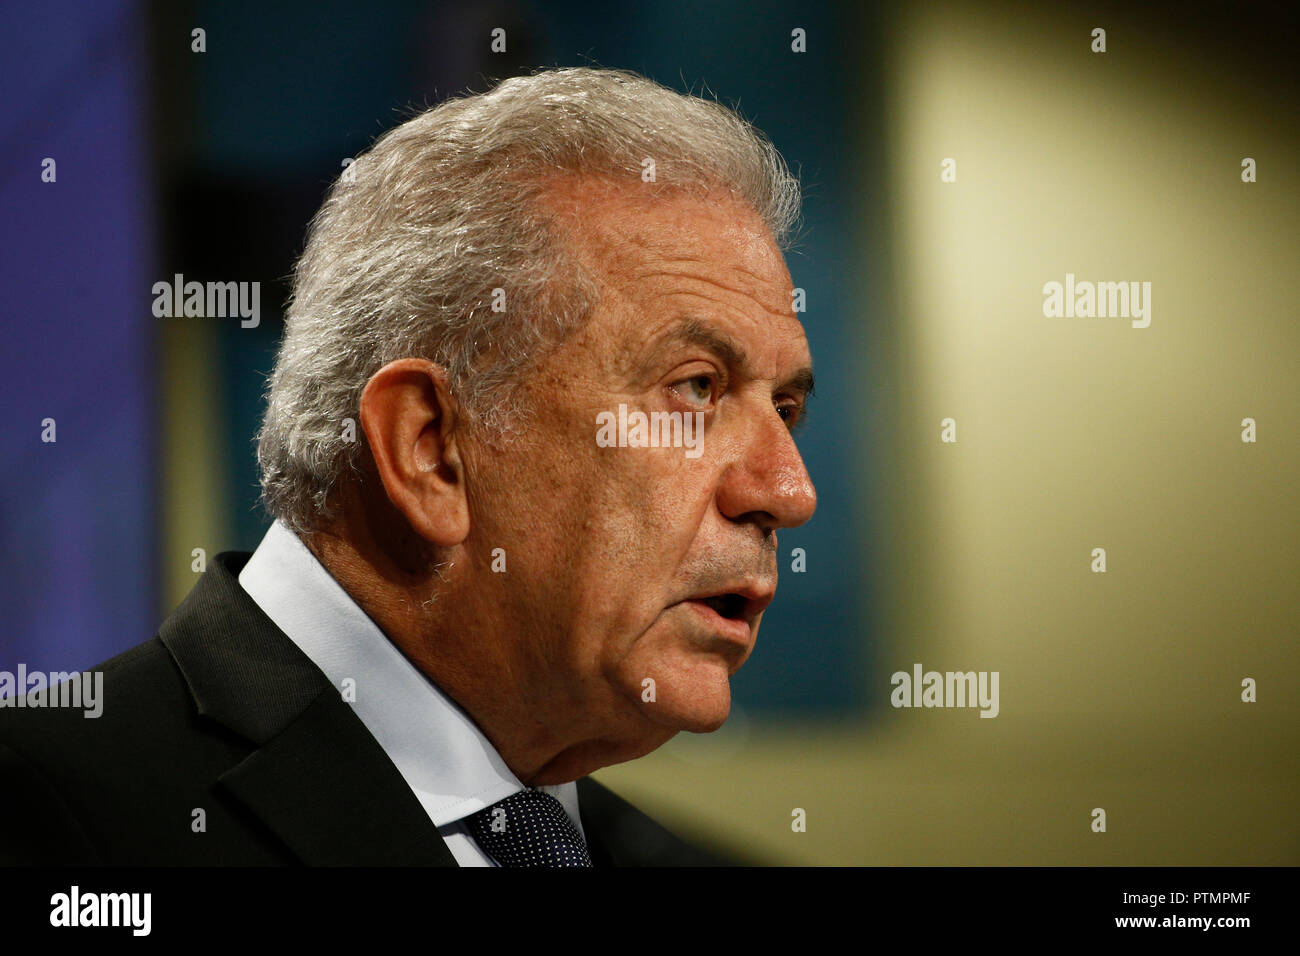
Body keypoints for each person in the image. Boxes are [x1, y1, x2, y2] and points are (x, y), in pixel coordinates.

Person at [0, 66, 817, 866]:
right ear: (429, 449)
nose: (788, 491)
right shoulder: (46, 815)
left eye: (785, 408)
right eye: (697, 388)